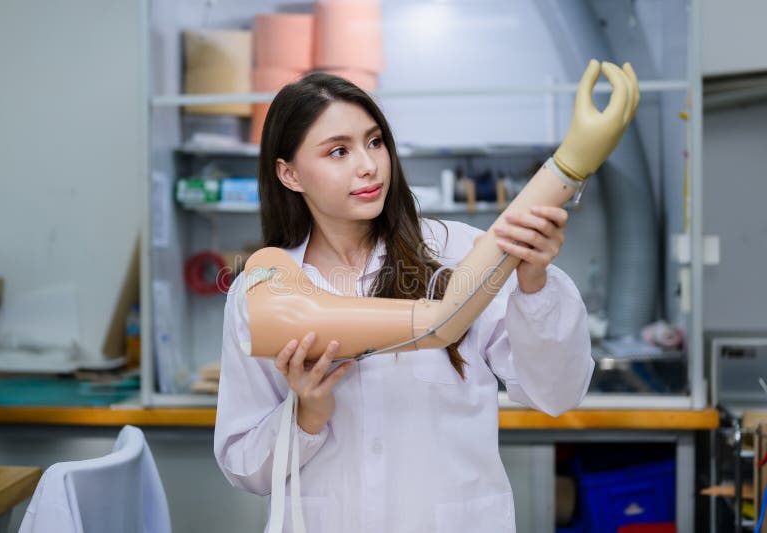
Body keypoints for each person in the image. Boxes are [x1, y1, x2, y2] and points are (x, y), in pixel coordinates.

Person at [215, 71, 605, 532]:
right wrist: (306, 416)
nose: (368, 165)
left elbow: (556, 393)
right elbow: (243, 464)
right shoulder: (263, 292)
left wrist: (534, 282)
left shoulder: (460, 256)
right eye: (339, 151)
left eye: (375, 142)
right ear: (290, 173)